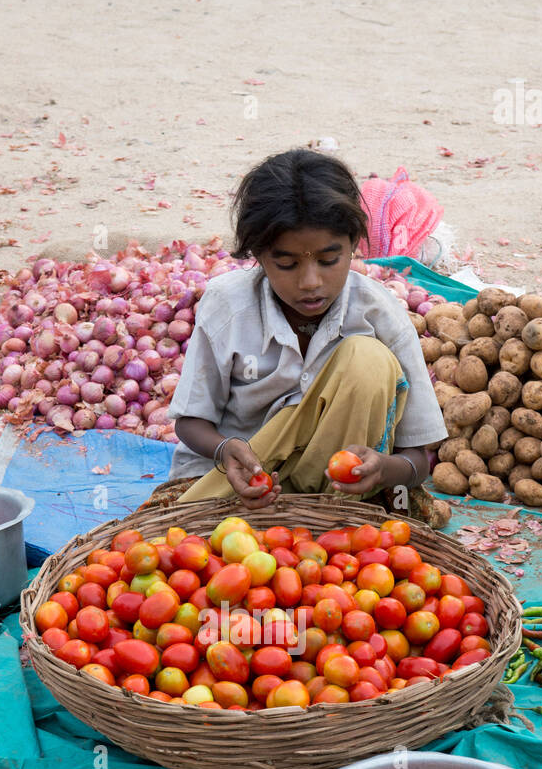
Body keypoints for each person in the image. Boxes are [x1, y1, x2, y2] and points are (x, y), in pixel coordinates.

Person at [165, 147, 448, 516]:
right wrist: (225, 449)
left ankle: (320, 520)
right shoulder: (227, 305)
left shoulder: (380, 314)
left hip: (338, 499)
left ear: (353, 248)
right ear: (259, 255)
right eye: (286, 263)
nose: (310, 282)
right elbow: (191, 421)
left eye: (330, 260)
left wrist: (383, 470)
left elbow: (417, 460)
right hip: (238, 490)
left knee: (368, 358)